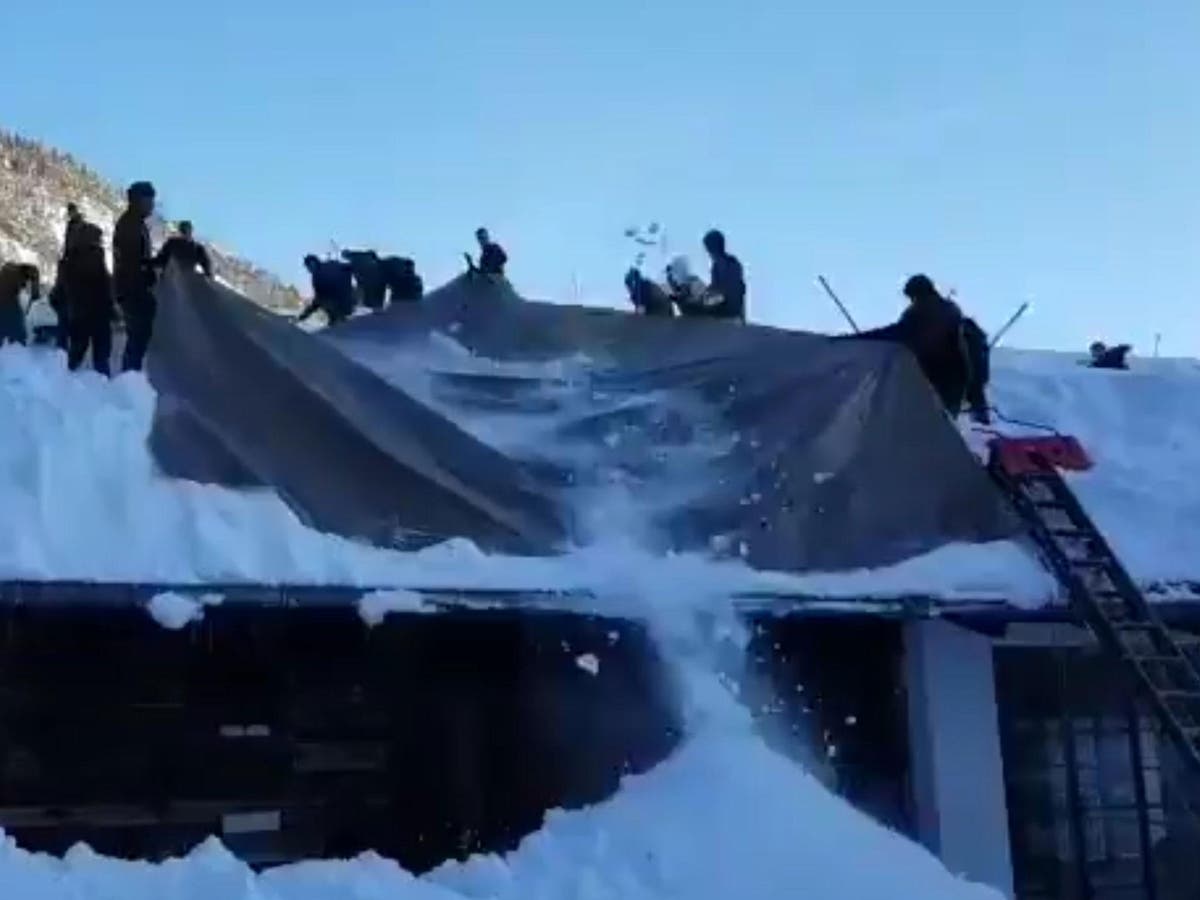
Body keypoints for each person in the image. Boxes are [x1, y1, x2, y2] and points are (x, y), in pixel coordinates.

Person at [856, 274, 978, 417]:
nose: (912, 301)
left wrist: (858, 339)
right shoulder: (950, 310)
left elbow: (897, 332)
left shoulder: (921, 312)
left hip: (934, 380)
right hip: (955, 382)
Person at [112, 180, 158, 371]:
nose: (152, 206)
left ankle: (132, 376)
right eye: (149, 201)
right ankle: (130, 378)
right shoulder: (130, 224)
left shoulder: (136, 223)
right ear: (138, 201)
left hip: (132, 288)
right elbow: (130, 261)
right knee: (138, 334)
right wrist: (145, 273)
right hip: (131, 289)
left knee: (140, 335)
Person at [61, 222, 114, 375]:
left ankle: (64, 382)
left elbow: (67, 288)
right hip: (96, 313)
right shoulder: (96, 255)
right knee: (101, 357)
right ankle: (104, 389)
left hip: (79, 314)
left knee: (76, 353)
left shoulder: (69, 258)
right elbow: (103, 284)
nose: (100, 241)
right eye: (98, 238)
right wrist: (110, 307)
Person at [297, 254, 356, 325]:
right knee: (324, 300)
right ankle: (338, 317)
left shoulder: (317, 278)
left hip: (340, 302)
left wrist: (303, 316)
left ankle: (337, 317)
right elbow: (350, 267)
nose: (308, 270)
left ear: (312, 264)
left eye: (308, 267)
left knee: (322, 300)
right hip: (349, 300)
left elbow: (317, 301)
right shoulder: (332, 264)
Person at [701, 229, 746, 321]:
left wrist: (702, 299)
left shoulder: (722, 265)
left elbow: (724, 292)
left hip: (727, 311)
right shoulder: (732, 263)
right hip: (732, 310)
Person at [0, 262, 41, 345]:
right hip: (8, 303)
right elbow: (35, 295)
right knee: (18, 326)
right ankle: (17, 340)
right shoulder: (29, 272)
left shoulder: (8, 269)